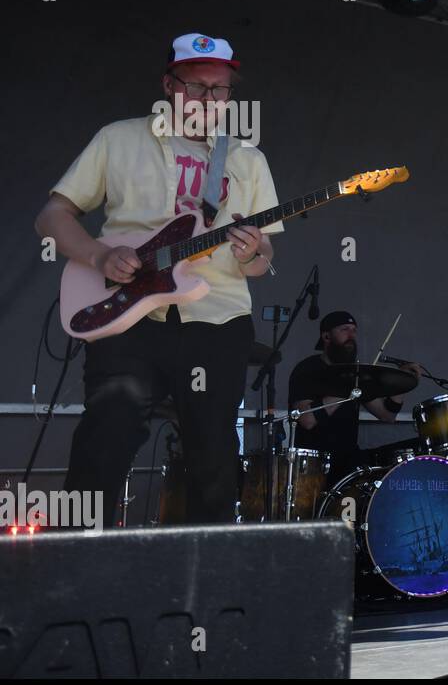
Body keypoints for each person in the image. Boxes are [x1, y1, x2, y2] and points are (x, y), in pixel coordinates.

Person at [36, 33, 282, 524]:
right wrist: (100, 255)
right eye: (196, 86)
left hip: (217, 320)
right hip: (128, 318)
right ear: (168, 84)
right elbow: (52, 216)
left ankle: (202, 585)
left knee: (213, 457)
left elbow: (263, 260)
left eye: (220, 89)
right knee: (105, 439)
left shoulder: (247, 160)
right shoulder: (118, 138)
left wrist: (255, 252)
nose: (209, 99)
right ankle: (72, 573)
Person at [288, 311, 418, 484]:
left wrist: (402, 385)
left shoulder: (356, 372)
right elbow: (307, 420)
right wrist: (345, 387)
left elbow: (387, 415)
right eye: (345, 329)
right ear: (326, 336)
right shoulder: (308, 369)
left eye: (354, 330)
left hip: (348, 461)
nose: (352, 335)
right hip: (313, 463)